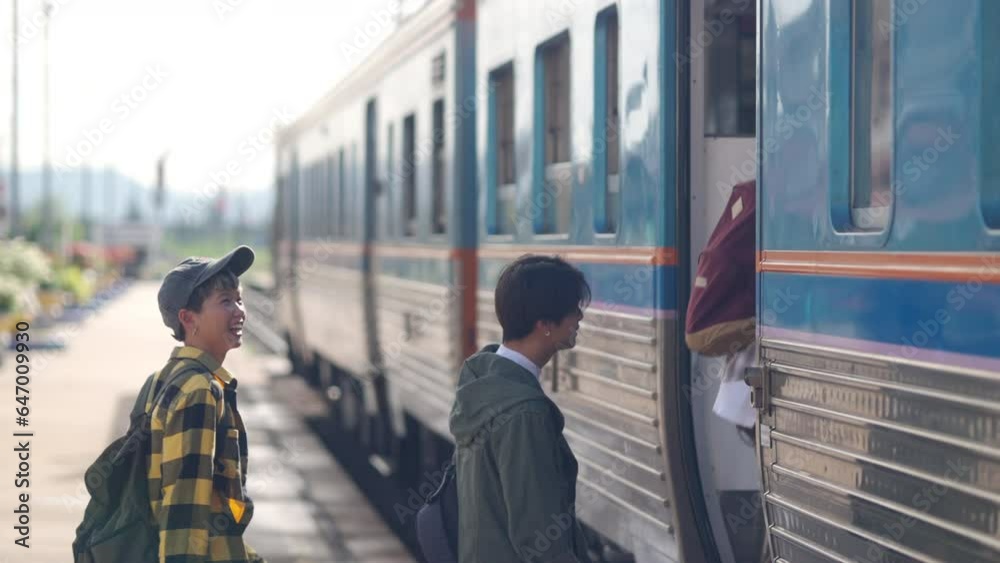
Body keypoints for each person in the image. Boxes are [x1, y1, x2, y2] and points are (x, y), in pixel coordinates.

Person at [449, 254, 592, 563]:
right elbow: (539, 536)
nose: (579, 318)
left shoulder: (483, 385)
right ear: (544, 324)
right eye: (572, 310)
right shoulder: (524, 413)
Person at [151, 245, 265, 563]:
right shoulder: (199, 392)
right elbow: (183, 507)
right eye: (225, 301)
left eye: (239, 299)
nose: (239, 311)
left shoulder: (164, 377)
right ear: (189, 318)